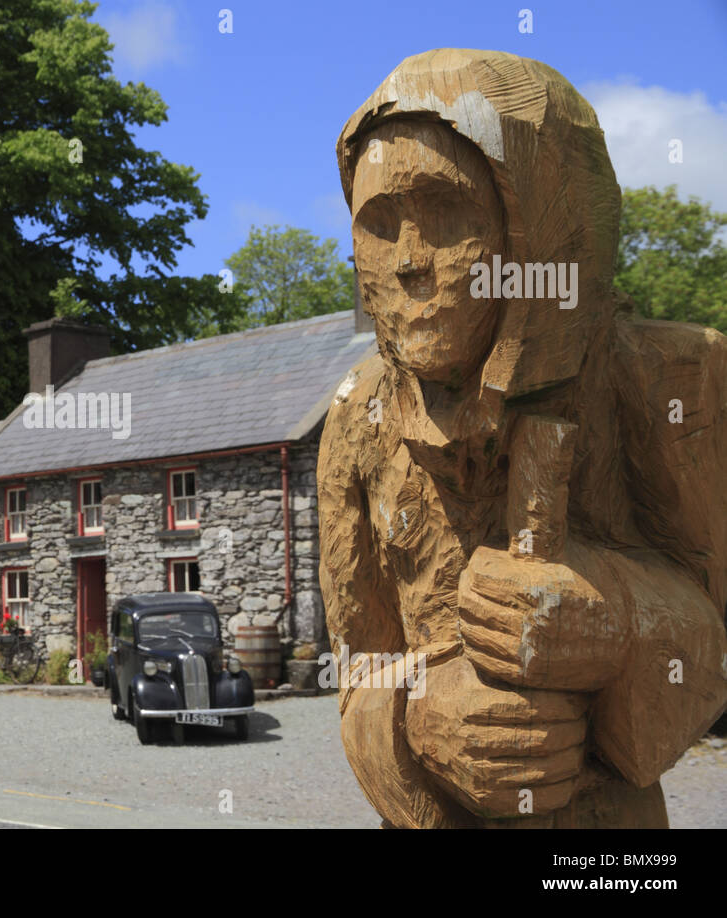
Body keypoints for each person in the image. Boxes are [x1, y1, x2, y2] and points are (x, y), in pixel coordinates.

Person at [321, 48, 727, 828]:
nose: (409, 260)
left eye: (444, 210)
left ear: (539, 219)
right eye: (378, 224)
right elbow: (357, 667)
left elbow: (709, 652)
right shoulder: (356, 417)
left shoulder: (665, 378)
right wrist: (414, 718)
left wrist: (618, 625)